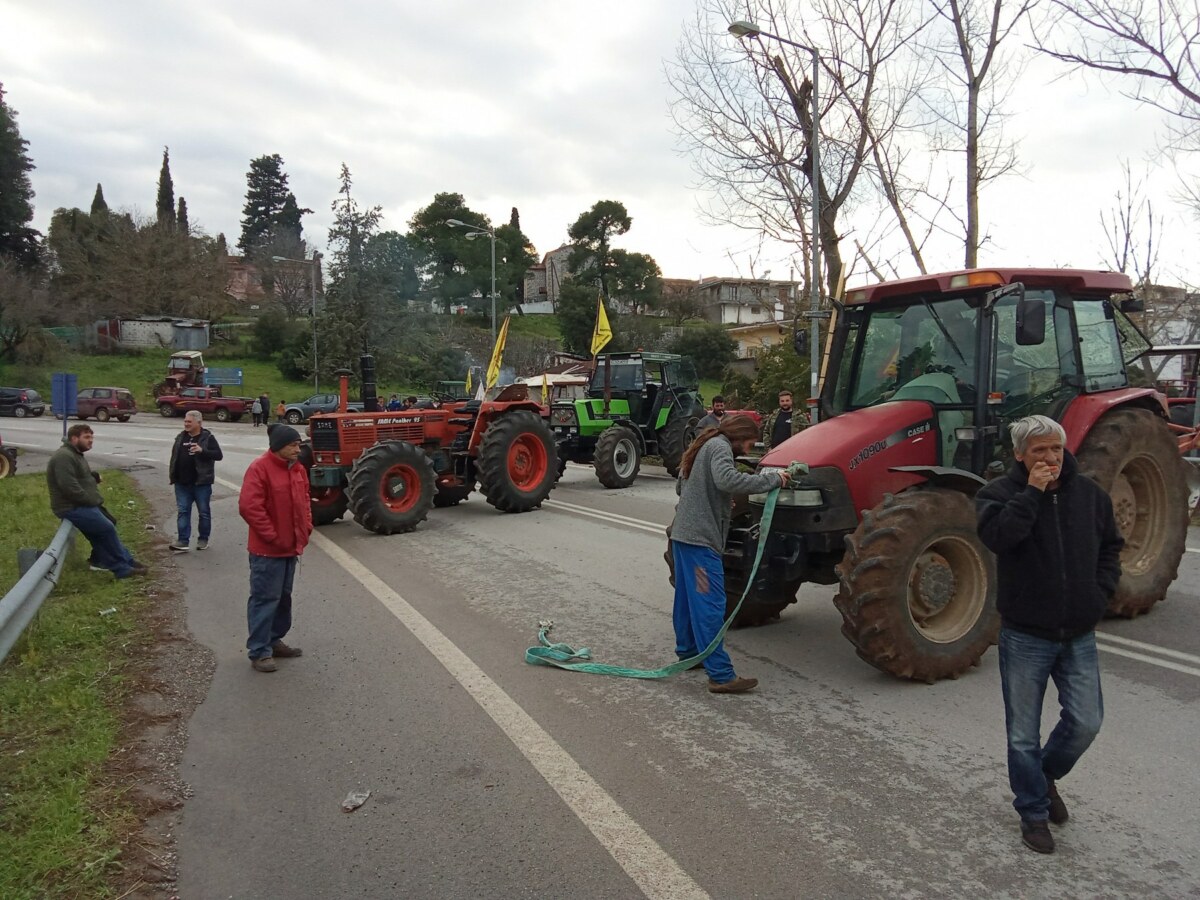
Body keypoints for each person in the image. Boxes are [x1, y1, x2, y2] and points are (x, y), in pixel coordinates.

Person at [976, 415, 1124, 855]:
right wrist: (1033, 493)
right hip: (1025, 634)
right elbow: (1001, 538)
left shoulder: (1090, 496)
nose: (1050, 457)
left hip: (1079, 632)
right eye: (1039, 450)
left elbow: (1110, 547)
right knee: (1023, 735)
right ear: (1020, 454)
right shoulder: (997, 495)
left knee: (1086, 722)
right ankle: (1033, 813)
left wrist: (1099, 594)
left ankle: (1043, 776)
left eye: (1055, 449)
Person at [671, 415, 789, 694]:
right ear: (739, 437)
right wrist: (773, 480)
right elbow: (726, 479)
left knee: (687, 600)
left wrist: (718, 499)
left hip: (683, 538)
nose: (748, 450)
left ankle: (689, 653)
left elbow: (682, 486)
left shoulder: (704, 445)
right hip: (701, 544)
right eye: (749, 444)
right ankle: (721, 675)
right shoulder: (720, 446)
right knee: (709, 605)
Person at [238, 424, 313, 673]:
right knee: (265, 599)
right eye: (293, 445)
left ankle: (274, 640)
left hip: (290, 548)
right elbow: (250, 507)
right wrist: (272, 536)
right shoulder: (259, 468)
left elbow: (304, 500)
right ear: (278, 446)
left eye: (299, 445)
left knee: (283, 598)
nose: (298, 450)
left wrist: (306, 526)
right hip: (267, 551)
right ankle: (259, 651)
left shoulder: (298, 469)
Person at [46, 424, 147, 579]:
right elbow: (69, 487)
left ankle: (125, 561)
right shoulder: (64, 457)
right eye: (86, 437)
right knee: (106, 528)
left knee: (106, 526)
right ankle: (122, 568)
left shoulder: (75, 454)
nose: (91, 440)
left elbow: (81, 477)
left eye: (92, 437)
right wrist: (91, 501)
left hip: (82, 504)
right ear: (74, 438)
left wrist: (93, 480)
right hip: (71, 507)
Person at [168, 410, 223, 552]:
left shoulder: (208, 437)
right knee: (183, 511)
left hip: (201, 483)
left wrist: (202, 451)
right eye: (185, 421)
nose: (186, 424)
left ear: (199, 422)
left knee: (203, 512)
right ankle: (182, 541)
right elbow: (174, 457)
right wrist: (173, 476)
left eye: (189, 422)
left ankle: (203, 539)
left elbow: (218, 455)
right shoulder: (180, 437)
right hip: (181, 483)